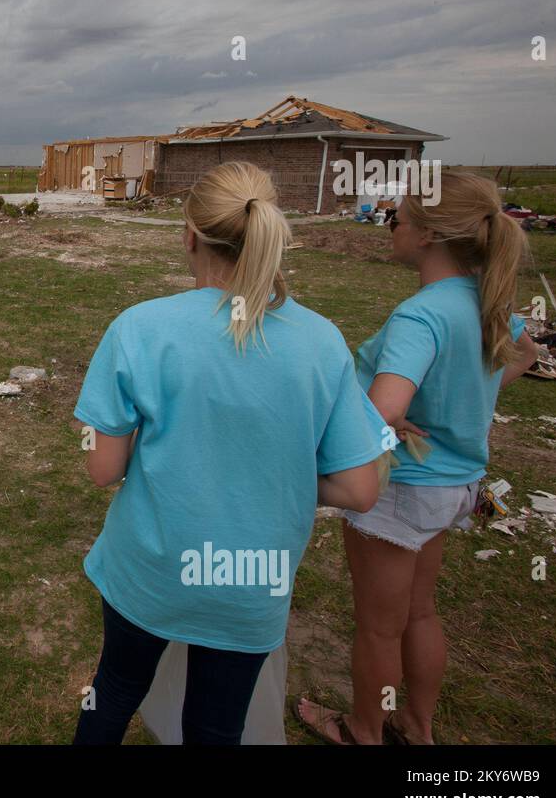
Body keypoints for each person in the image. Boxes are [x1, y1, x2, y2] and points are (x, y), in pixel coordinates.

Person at [71, 161, 385, 745]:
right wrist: (273, 470)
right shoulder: (322, 341)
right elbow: (361, 489)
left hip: (151, 572)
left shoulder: (139, 329)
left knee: (111, 692)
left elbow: (102, 469)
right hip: (252, 586)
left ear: (189, 236)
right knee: (217, 727)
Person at [297, 171, 539, 745]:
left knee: (379, 630)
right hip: (456, 485)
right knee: (421, 613)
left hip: (404, 489)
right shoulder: (489, 298)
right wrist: (465, 401)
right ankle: (417, 726)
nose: (389, 228)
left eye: (396, 218)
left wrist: (371, 419)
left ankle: (363, 730)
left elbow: (383, 410)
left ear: (428, 234)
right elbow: (525, 353)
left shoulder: (420, 316)